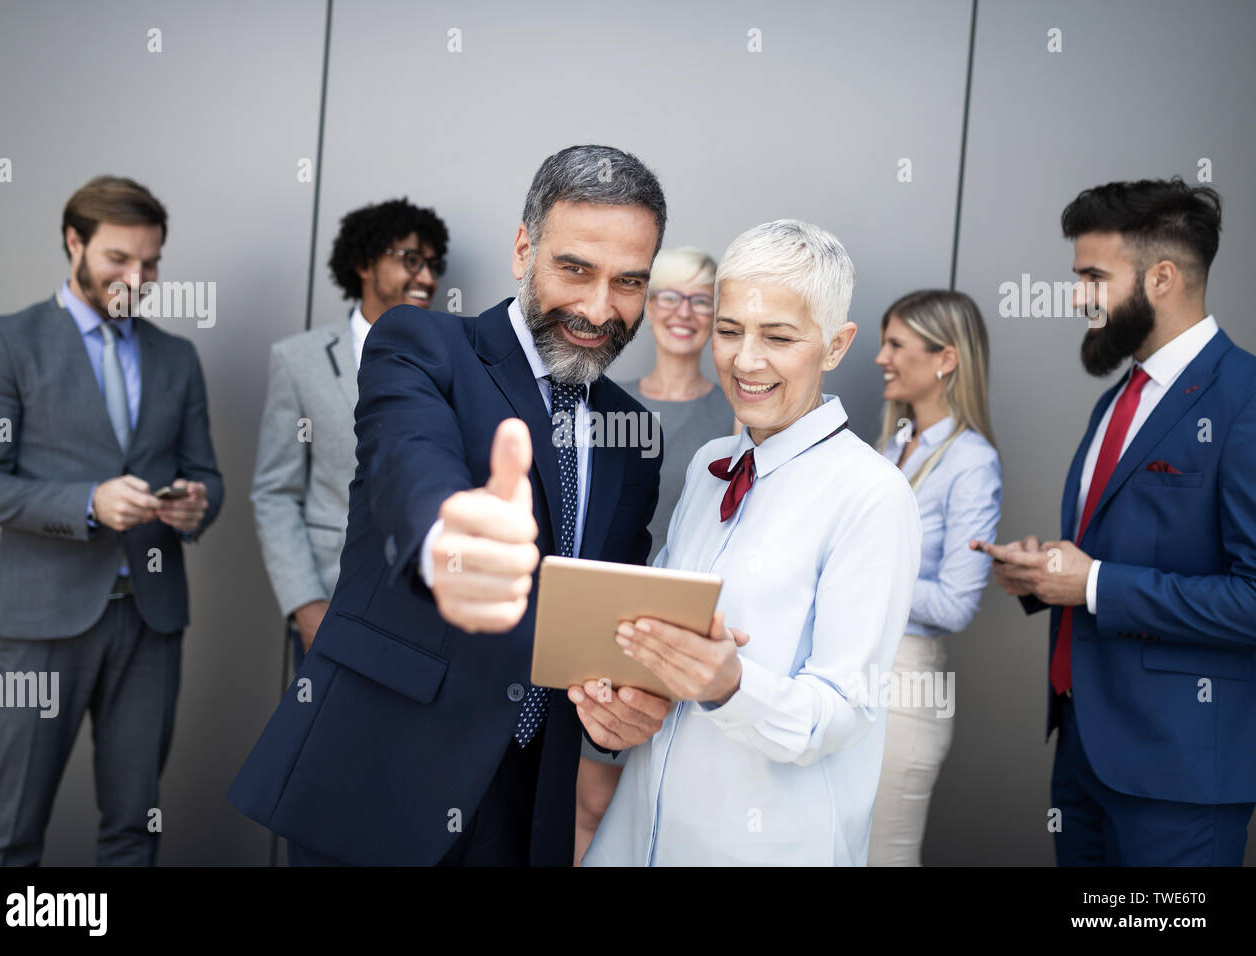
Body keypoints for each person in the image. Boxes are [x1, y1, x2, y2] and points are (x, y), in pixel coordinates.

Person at [228, 145, 675, 866]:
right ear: (524, 248)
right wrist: (450, 546)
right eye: (575, 269)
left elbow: (601, 615)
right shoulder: (421, 345)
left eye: (629, 282)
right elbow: (413, 467)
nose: (599, 309)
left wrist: (619, 703)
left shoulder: (635, 435)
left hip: (530, 801)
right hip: (383, 772)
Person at [582, 219, 921, 866]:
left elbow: (842, 713)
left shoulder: (872, 496)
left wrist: (729, 686)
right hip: (641, 833)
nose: (745, 360)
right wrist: (618, 686)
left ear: (836, 345)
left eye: (779, 337)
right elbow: (658, 620)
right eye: (731, 331)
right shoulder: (712, 463)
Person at [974, 178, 1256, 866]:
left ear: (1161, 278)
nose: (1077, 298)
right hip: (1082, 754)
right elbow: (1125, 552)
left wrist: (1094, 583)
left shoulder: (1245, 400)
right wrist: (1047, 576)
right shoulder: (1118, 402)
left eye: (1093, 277)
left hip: (1180, 781)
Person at [0, 175, 224, 865]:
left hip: (151, 621)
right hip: (42, 623)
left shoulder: (176, 357)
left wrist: (197, 506)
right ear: (73, 242)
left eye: (151, 263)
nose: (137, 278)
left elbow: (211, 477)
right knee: (12, 829)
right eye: (117, 259)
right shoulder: (5, 342)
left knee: (136, 826)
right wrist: (87, 501)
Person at [573, 246, 736, 863]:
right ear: (646, 305)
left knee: (676, 806)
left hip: (691, 628)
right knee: (593, 799)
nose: (683, 311)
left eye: (701, 299)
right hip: (614, 625)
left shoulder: (738, 413)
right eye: (668, 295)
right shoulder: (605, 405)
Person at [251, 198, 449, 673]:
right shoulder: (297, 360)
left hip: (424, 613)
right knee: (316, 745)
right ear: (364, 263)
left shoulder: (451, 359)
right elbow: (275, 493)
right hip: (331, 600)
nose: (426, 277)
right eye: (410, 260)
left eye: (433, 265)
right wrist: (305, 604)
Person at [866, 290, 1002, 866]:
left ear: (945, 359)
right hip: (857, 674)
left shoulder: (972, 462)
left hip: (906, 691)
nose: (880, 357)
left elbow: (954, 605)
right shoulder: (895, 444)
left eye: (896, 343)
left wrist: (858, 579)